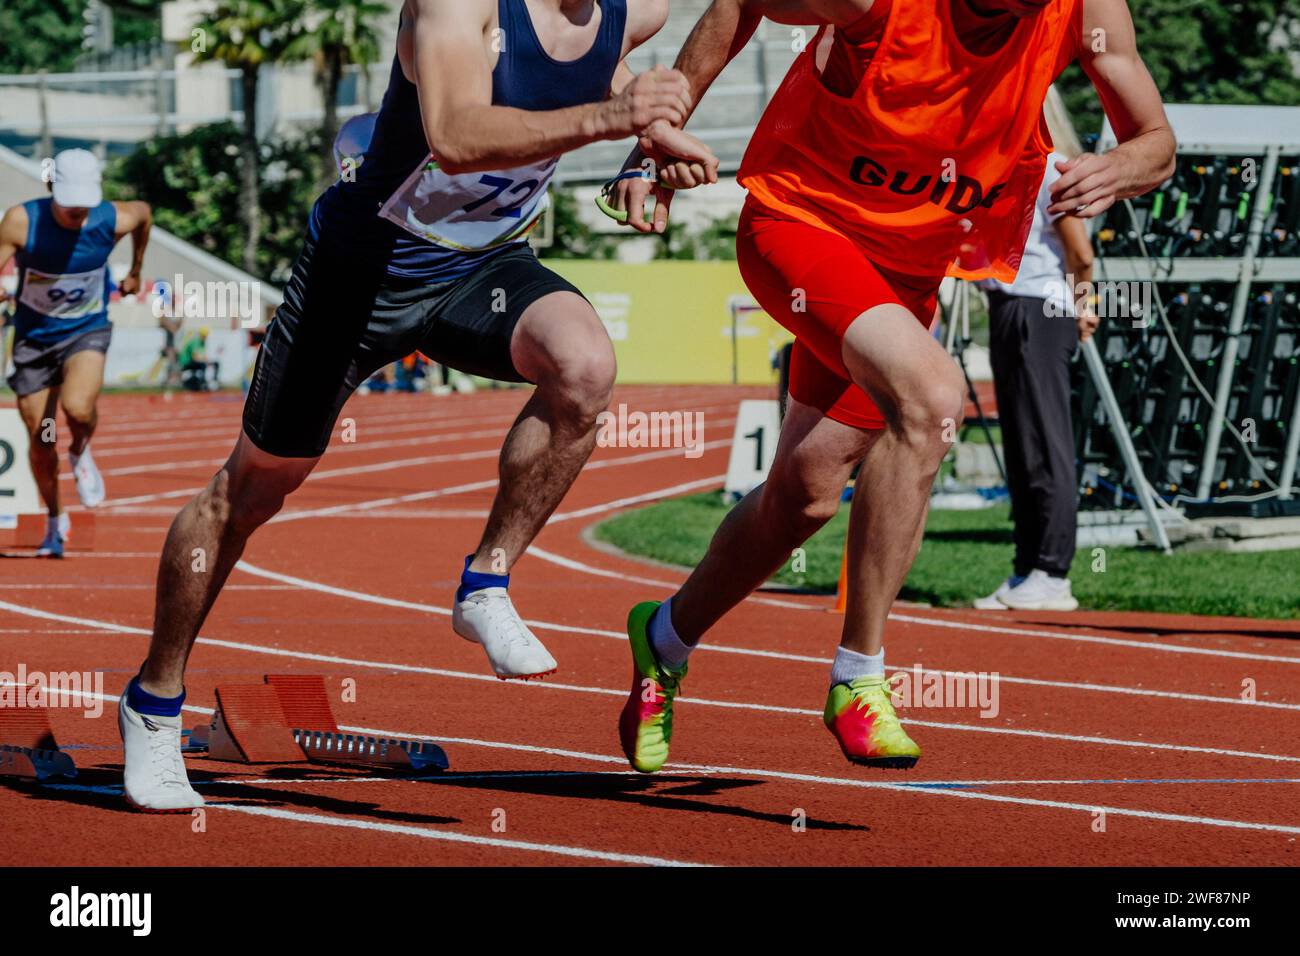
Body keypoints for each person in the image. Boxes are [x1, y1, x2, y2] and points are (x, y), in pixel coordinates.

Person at [117, 0, 717, 811]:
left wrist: (644, 151)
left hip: (479, 266)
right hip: (361, 276)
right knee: (253, 489)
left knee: (584, 366)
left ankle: (486, 583)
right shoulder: (455, 5)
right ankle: (152, 704)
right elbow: (458, 135)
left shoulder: (633, 12)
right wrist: (619, 117)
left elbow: (621, 65)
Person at [608, 0, 1174, 773]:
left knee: (803, 495)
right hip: (802, 226)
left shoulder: (1085, 11)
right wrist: (655, 141)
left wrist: (1122, 169)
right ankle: (860, 679)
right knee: (935, 397)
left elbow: (1158, 143)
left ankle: (664, 637)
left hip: (904, 271)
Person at [0, 148, 152, 557]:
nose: (77, 213)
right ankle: (55, 520)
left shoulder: (112, 218)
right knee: (41, 438)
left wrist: (136, 268)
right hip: (34, 343)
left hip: (85, 331)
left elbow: (143, 214)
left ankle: (81, 449)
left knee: (78, 408)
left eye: (85, 203)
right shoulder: (22, 220)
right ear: (52, 187)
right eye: (69, 204)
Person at [974, 149, 1098, 612]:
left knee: (1045, 441)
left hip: (1039, 309)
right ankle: (1028, 565)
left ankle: (1052, 570)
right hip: (1009, 306)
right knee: (1023, 444)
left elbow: (1080, 253)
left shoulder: (1051, 168)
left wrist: (1084, 306)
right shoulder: (991, 161)